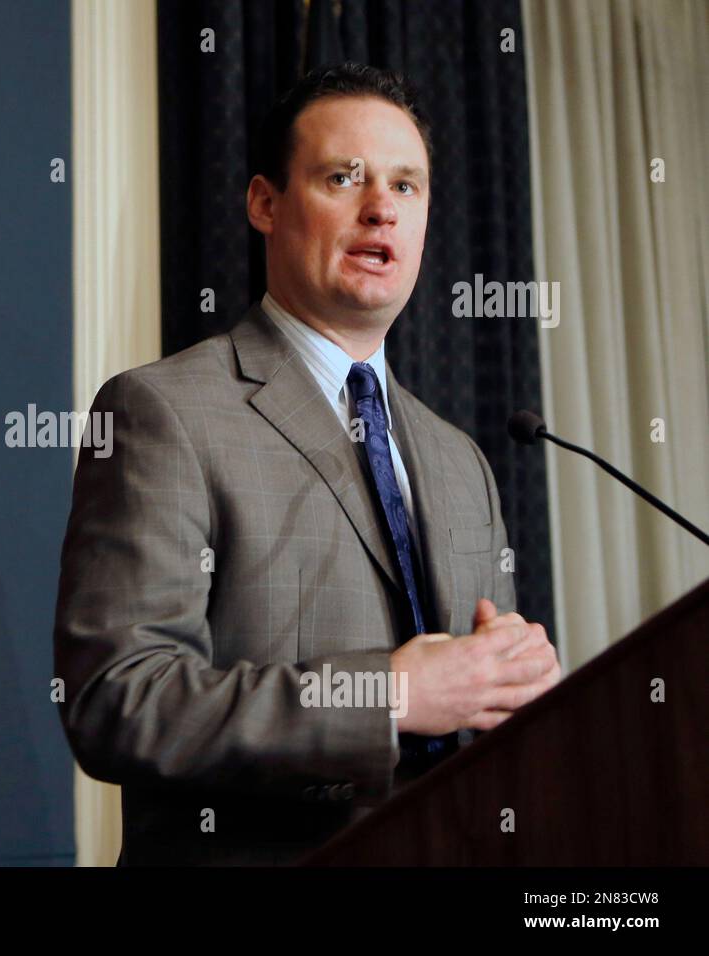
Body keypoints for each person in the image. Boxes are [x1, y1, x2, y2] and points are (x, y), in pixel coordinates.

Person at [52, 63, 561, 866]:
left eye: (407, 185)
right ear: (265, 203)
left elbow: (478, 715)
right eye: (342, 177)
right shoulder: (162, 413)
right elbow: (120, 703)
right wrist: (387, 695)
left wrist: (514, 689)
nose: (380, 207)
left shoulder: (461, 460)